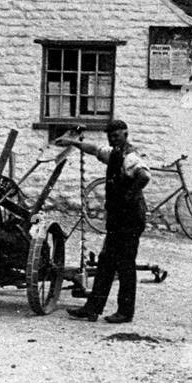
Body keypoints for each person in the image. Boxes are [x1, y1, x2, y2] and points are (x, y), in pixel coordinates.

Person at [60, 120, 149, 324]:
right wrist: (72, 142)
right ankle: (92, 309)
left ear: (125, 134)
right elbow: (94, 149)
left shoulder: (130, 156)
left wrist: (129, 195)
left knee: (125, 265)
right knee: (106, 263)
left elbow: (144, 176)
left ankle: (125, 313)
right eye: (110, 136)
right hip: (118, 219)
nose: (113, 139)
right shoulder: (115, 153)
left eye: (116, 135)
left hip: (130, 219)